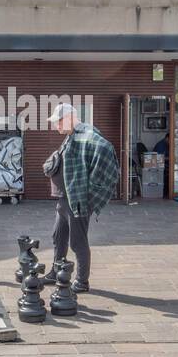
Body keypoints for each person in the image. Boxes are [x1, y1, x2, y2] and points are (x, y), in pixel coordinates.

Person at [42, 103, 119, 292]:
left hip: (77, 200)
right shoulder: (72, 136)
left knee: (77, 241)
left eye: (58, 122)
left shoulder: (88, 136)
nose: (56, 126)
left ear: (69, 118)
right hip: (64, 199)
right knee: (58, 236)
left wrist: (90, 196)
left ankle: (82, 282)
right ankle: (56, 270)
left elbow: (106, 150)